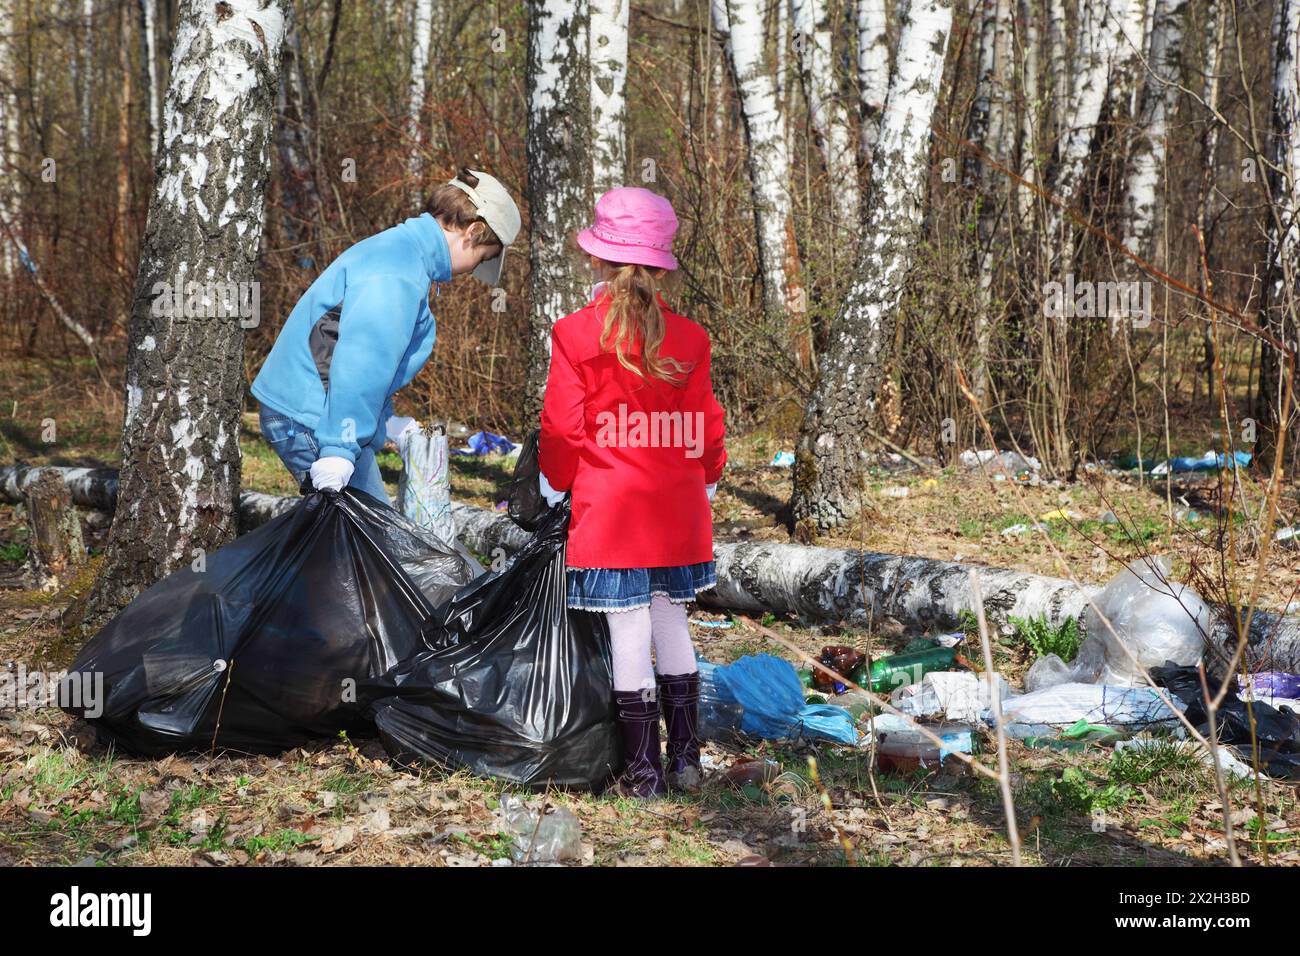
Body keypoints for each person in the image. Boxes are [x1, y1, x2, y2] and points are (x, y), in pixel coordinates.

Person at [537, 187, 727, 798]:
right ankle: (688, 761)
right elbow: (707, 426)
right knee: (673, 629)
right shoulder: (690, 338)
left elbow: (563, 428)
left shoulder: (573, 334)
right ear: (661, 261)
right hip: (675, 512)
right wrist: (710, 475)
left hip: (611, 516)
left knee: (629, 636)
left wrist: (552, 481)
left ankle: (644, 774)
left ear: (597, 259)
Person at [251, 168, 521, 502]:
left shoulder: (402, 252)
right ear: (473, 231)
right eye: (482, 257)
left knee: (359, 540)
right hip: (311, 418)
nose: (469, 272)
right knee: (369, 543)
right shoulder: (399, 272)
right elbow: (360, 364)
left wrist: (386, 421)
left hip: (313, 412)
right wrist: (338, 448)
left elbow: (346, 348)